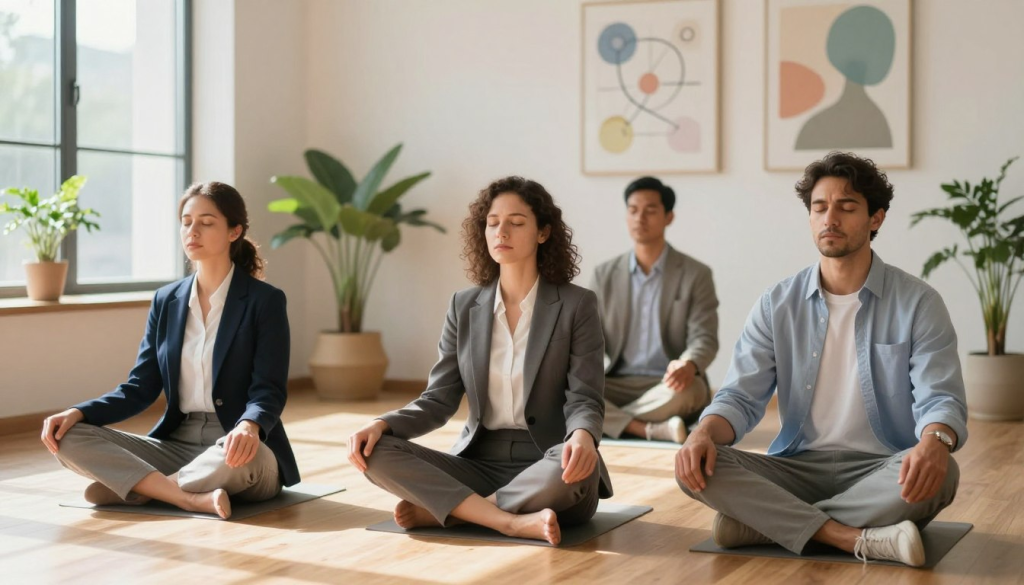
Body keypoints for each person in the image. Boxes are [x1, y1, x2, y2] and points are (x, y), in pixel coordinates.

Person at [675, 152, 968, 567]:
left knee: (943, 473)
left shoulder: (919, 303)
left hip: (883, 468)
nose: (830, 218)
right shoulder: (777, 303)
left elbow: (940, 397)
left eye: (846, 207)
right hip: (795, 469)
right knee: (697, 462)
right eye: (819, 207)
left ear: (876, 218)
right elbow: (739, 396)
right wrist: (703, 432)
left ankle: (764, 524)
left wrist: (935, 442)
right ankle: (849, 537)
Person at [348, 176, 612, 546]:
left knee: (574, 471)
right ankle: (509, 521)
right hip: (477, 464)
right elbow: (437, 400)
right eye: (492, 222)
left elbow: (584, 397)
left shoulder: (576, 305)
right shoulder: (464, 305)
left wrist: (582, 436)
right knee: (374, 451)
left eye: (516, 222)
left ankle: (457, 512)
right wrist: (381, 424)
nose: (501, 231)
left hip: (550, 462)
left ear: (543, 233)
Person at [41, 181, 299, 520]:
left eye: (206, 222)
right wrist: (78, 413)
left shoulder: (264, 301)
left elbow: (268, 389)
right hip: (177, 446)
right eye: (186, 222)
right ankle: (187, 497)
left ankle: (141, 488)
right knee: (67, 437)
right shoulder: (166, 300)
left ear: (234, 231)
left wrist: (250, 426)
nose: (193, 231)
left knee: (245, 457)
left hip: (237, 445)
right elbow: (139, 387)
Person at [591, 176, 719, 443]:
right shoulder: (604, 275)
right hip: (616, 383)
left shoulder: (696, 274)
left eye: (650, 210)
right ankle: (647, 429)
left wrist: (688, 363)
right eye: (633, 210)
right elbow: (587, 338)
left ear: (668, 217)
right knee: (562, 388)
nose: (640, 218)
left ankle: (601, 421)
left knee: (693, 391)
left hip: (669, 384)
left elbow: (704, 338)